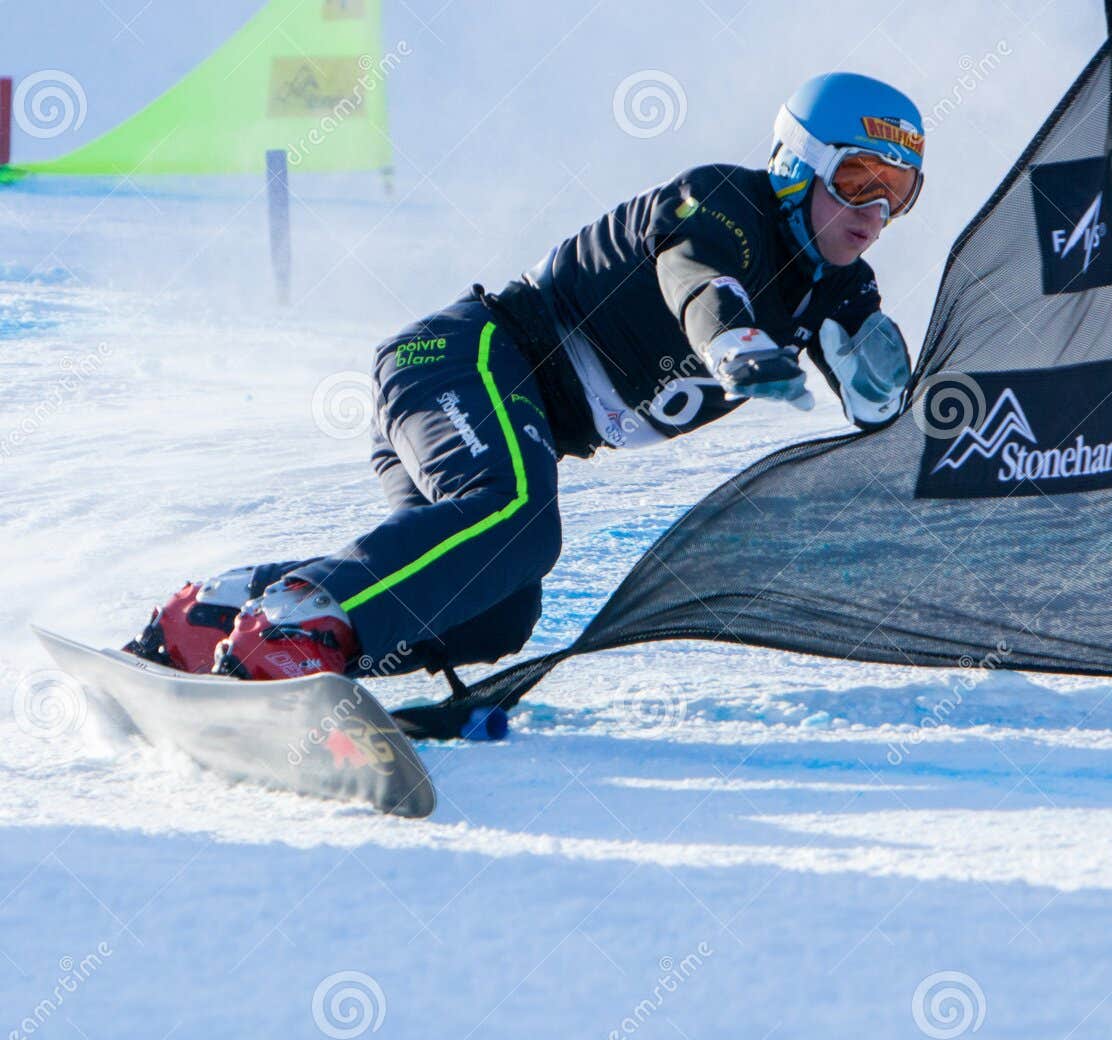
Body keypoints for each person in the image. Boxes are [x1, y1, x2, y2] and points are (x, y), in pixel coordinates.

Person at [126, 73, 926, 682]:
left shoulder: (839, 285)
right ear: (797, 164)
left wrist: (895, 384)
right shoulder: (725, 201)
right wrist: (733, 341)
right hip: (464, 358)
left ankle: (214, 617)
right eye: (859, 178)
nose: (874, 212)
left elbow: (886, 413)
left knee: (498, 610)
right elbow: (698, 281)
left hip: (492, 407)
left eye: (898, 194)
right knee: (517, 516)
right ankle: (292, 629)